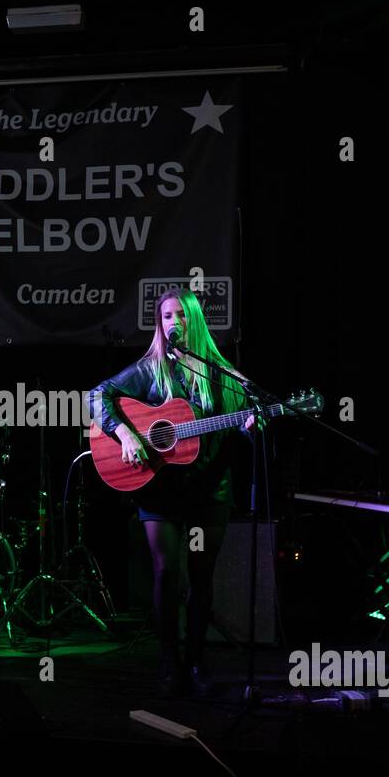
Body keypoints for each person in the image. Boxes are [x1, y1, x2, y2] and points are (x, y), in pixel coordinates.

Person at [89, 288, 254, 697]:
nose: (172, 322)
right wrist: (125, 432)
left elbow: (246, 422)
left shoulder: (222, 374)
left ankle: (197, 661)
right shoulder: (149, 369)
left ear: (194, 320)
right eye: (165, 316)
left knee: (201, 578)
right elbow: (98, 395)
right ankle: (169, 662)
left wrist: (252, 425)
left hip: (209, 490)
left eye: (180, 315)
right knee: (166, 572)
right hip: (160, 491)